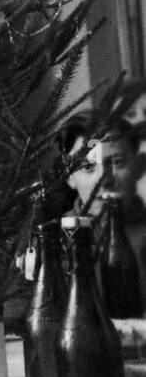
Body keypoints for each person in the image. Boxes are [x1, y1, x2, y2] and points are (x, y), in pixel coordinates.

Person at [62, 114, 146, 301]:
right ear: (69, 177)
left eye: (117, 162)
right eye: (87, 167)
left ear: (140, 165)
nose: (104, 180)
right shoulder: (50, 243)